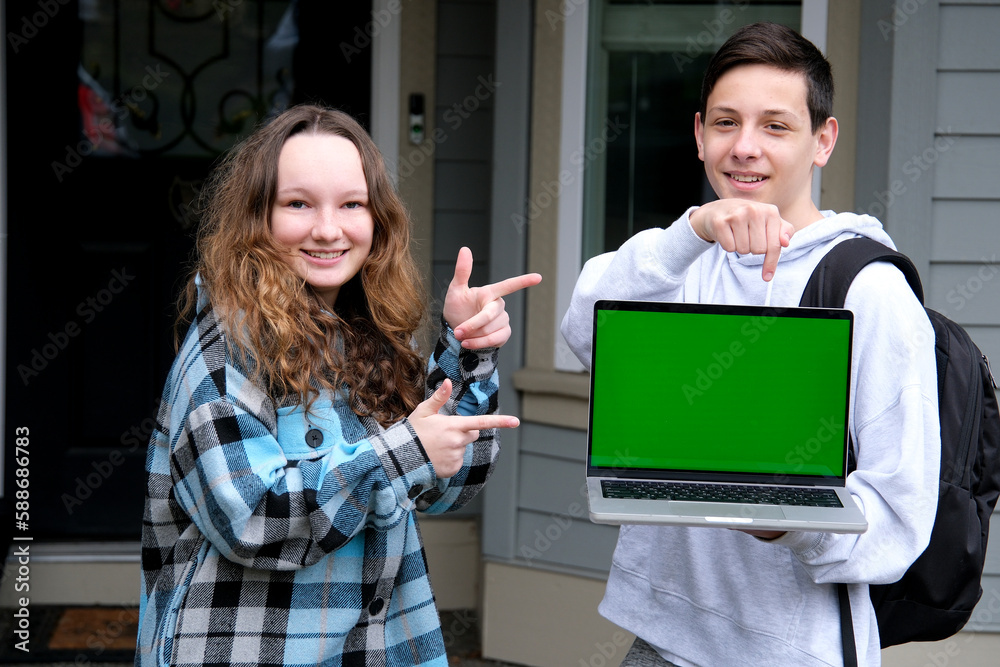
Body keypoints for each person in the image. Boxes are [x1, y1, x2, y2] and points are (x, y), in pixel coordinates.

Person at [560, 22, 939, 667]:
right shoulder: (683, 257)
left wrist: (781, 519)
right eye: (727, 123)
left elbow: (900, 521)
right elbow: (584, 333)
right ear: (700, 132)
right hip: (659, 635)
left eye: (776, 126)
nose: (745, 148)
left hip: (789, 651)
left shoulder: (868, 290)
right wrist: (690, 232)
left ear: (824, 140)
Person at [136, 104, 541, 667]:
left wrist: (467, 348)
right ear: (257, 217)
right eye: (298, 204)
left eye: (351, 204)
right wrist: (402, 452)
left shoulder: (366, 336)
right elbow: (254, 520)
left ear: (378, 220)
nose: (328, 229)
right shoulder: (223, 352)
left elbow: (443, 487)